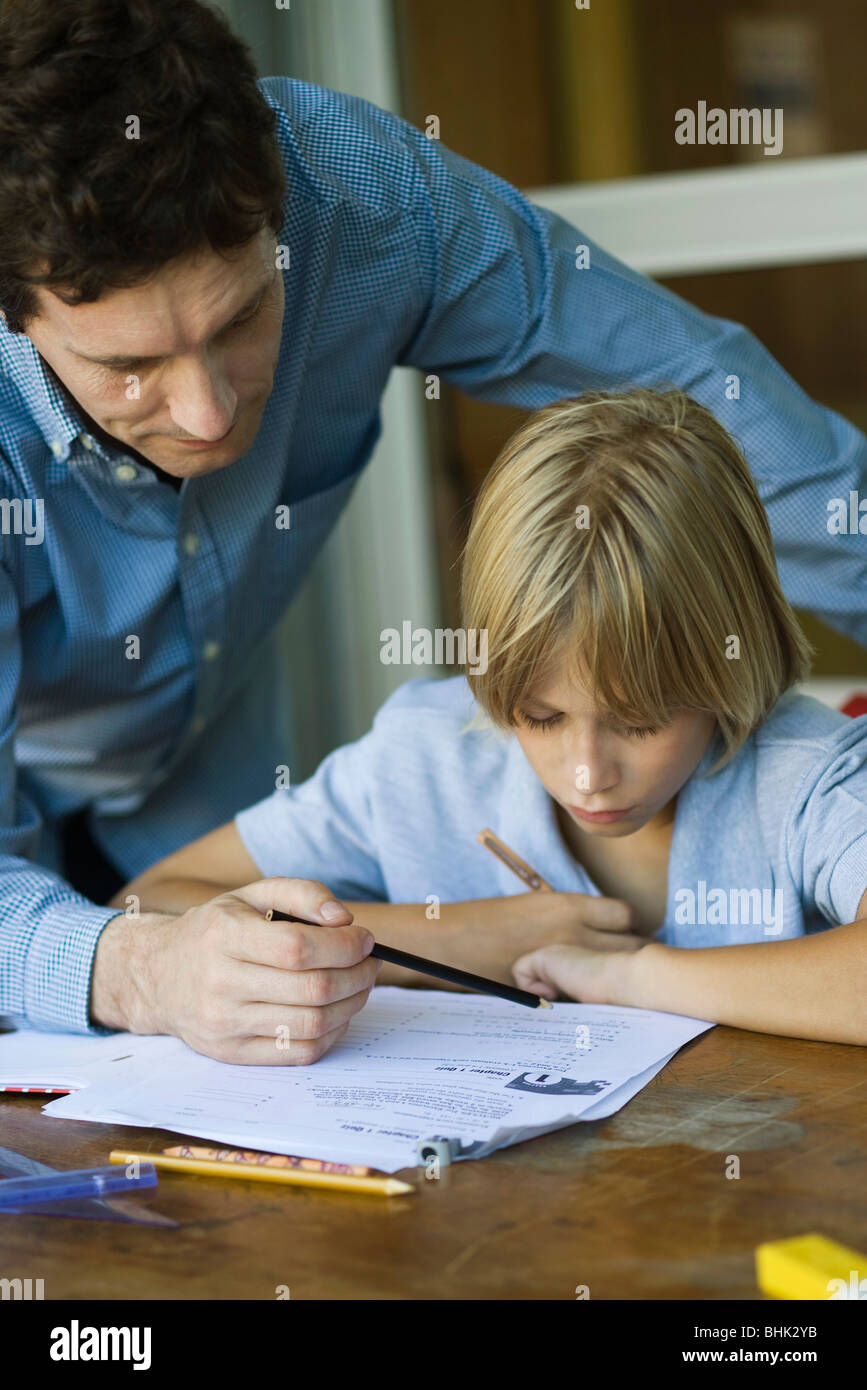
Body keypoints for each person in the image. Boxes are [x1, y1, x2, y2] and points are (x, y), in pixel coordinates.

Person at [1, 1, 865, 1046]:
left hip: (208, 762)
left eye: (239, 321)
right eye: (129, 369)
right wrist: (139, 970)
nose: (210, 415)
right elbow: (150, 923)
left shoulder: (362, 195)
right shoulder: (422, 762)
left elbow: (704, 400)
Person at [118, 388, 867, 1054]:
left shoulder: (807, 773)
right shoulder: (425, 755)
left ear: (728, 659)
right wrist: (458, 937)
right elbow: (152, 898)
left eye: (637, 723)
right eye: (538, 717)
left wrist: (638, 976)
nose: (586, 774)